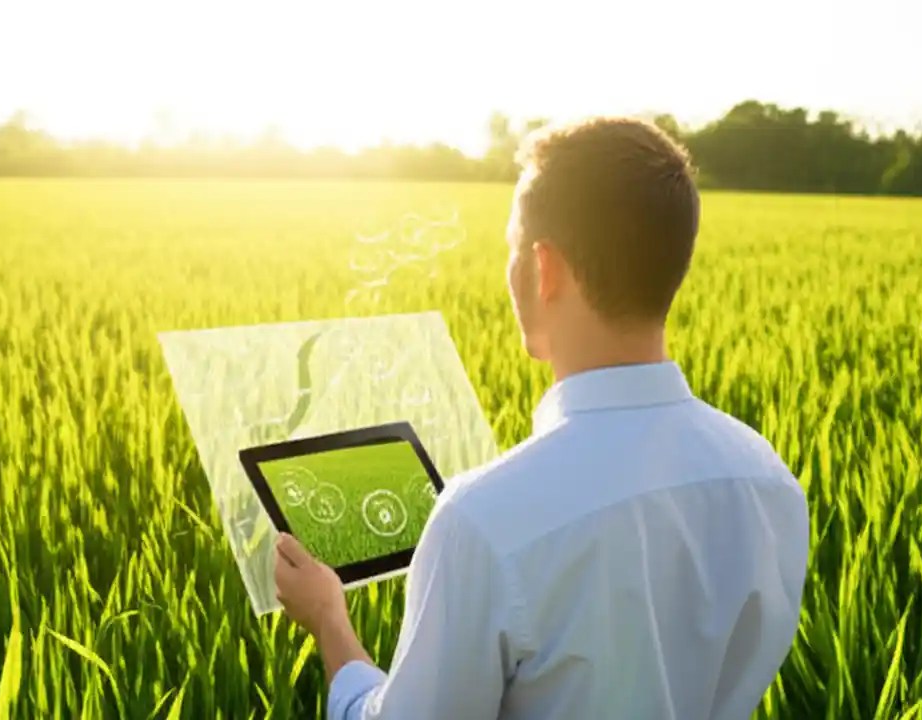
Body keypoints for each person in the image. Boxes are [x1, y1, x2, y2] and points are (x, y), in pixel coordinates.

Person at [272, 116, 810, 719]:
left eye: (513, 249)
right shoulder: (768, 481)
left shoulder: (481, 520)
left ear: (545, 269)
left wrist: (329, 620)